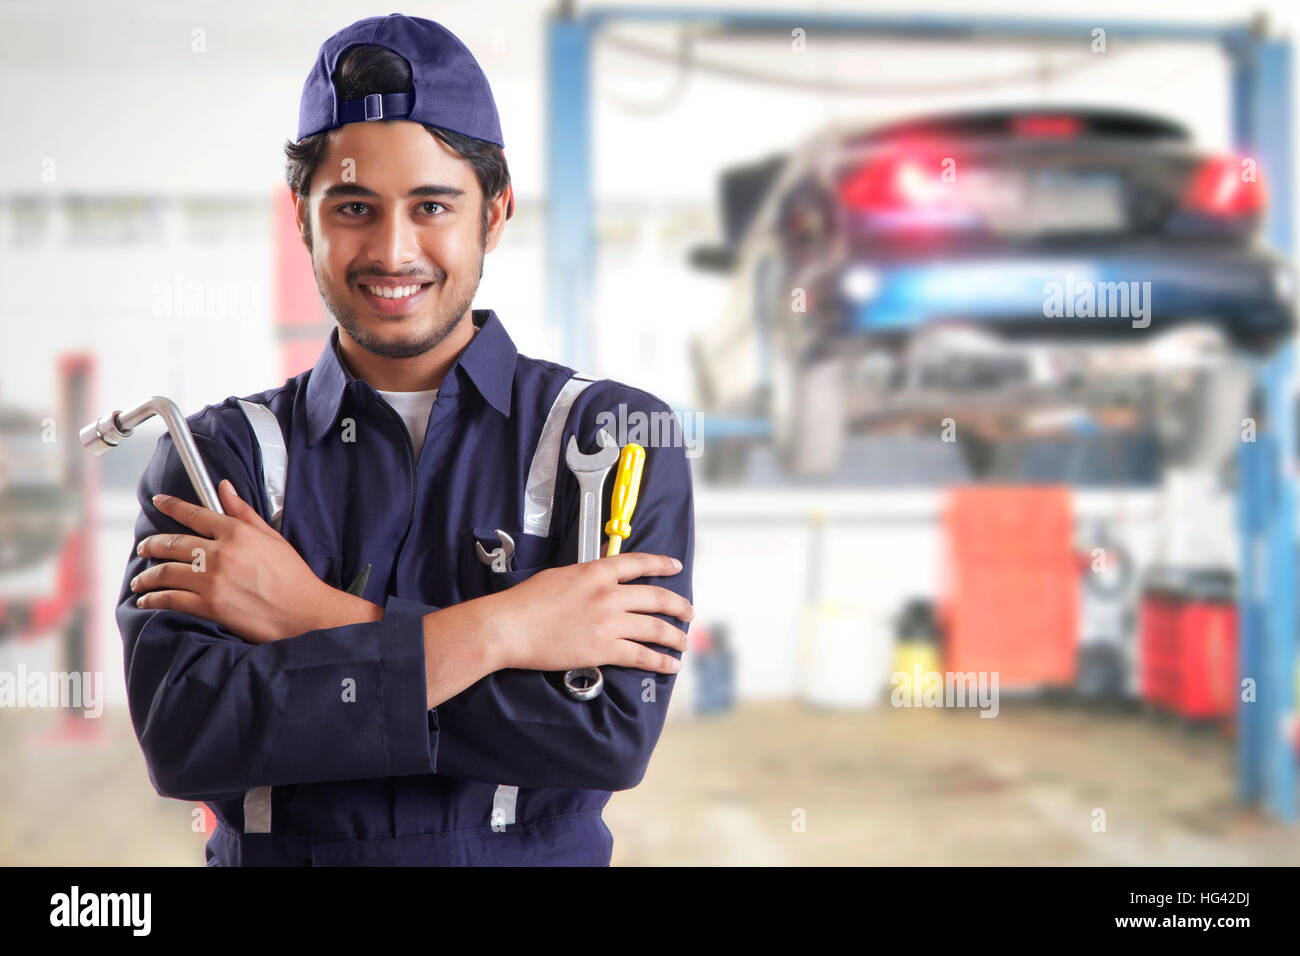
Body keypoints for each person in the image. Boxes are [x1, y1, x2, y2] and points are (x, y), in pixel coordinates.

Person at [115, 13, 694, 867]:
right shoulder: (218, 461)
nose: (393, 252)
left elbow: (603, 737)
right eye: (353, 207)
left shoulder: (614, 441)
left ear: (493, 215)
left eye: (432, 206)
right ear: (303, 219)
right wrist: (502, 633)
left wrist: (314, 620)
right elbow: (188, 735)